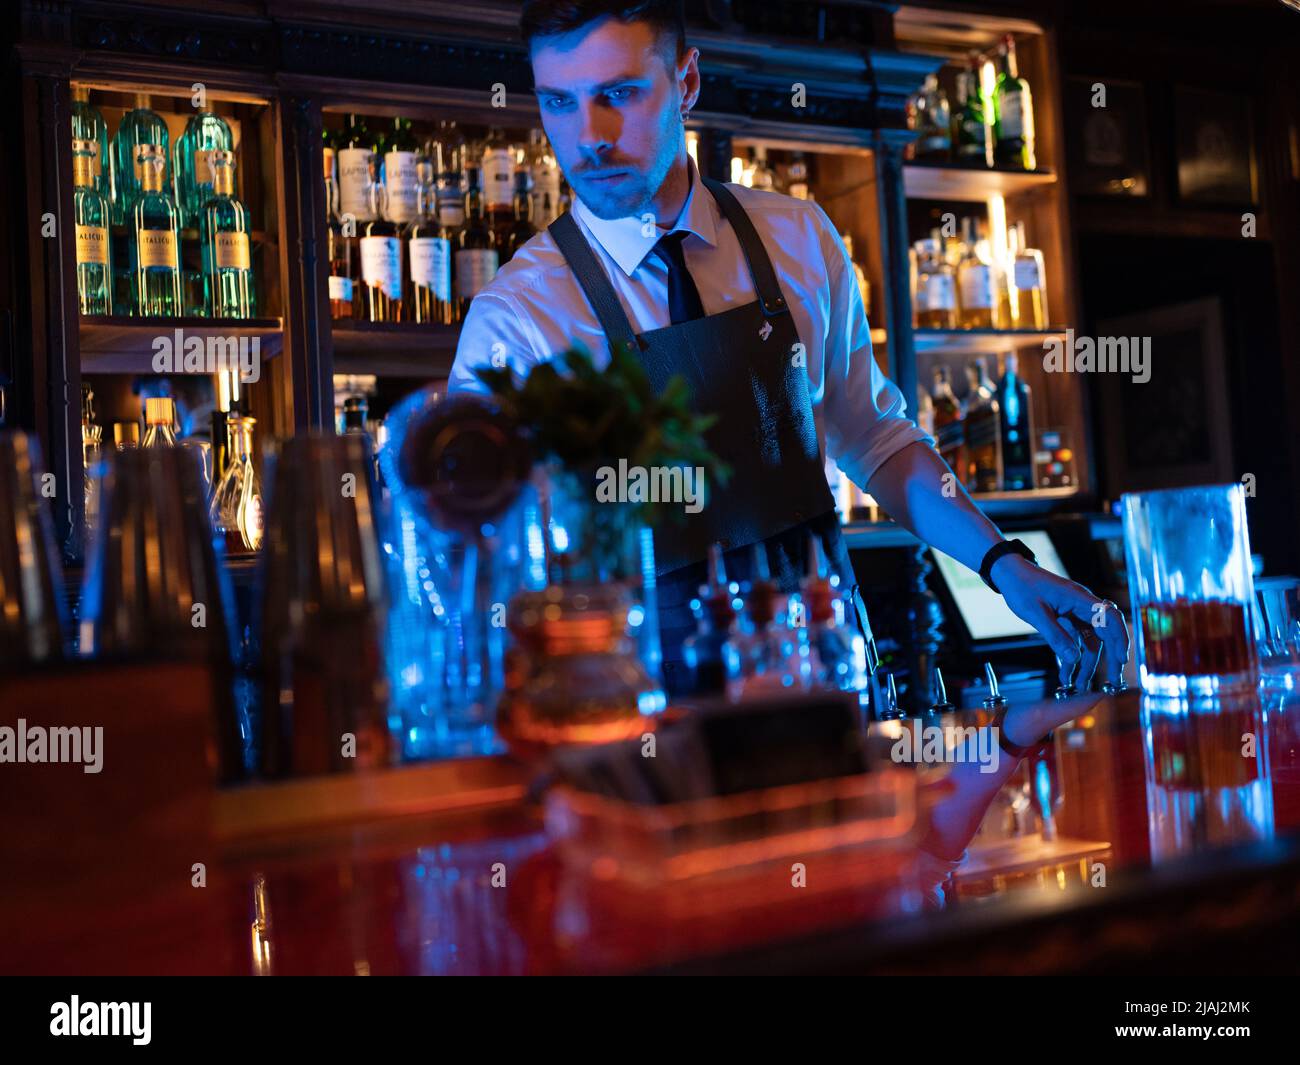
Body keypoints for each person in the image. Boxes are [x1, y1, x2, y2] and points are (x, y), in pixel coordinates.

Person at [448, 0, 1129, 697]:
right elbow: (473, 549)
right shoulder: (517, 314)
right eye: (559, 102)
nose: (587, 136)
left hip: (825, 671)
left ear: (686, 82)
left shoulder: (798, 238)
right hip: (643, 711)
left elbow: (873, 437)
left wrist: (1003, 564)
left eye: (617, 95)